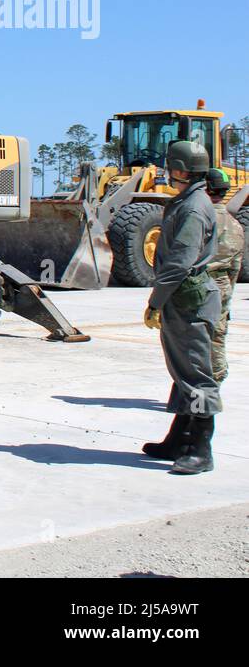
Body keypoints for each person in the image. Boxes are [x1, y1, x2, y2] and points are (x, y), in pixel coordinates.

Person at [140, 140, 221, 475]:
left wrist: (155, 301)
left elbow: (179, 262)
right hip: (182, 299)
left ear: (182, 170)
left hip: (189, 301)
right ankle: (178, 439)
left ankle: (201, 448)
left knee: (196, 376)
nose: (169, 175)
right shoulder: (188, 201)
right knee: (182, 373)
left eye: (172, 169)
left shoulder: (192, 208)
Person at [205, 167, 243, 384]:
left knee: (196, 341)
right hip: (223, 286)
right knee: (217, 337)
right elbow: (235, 267)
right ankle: (216, 380)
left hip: (201, 287)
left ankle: (204, 391)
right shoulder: (236, 225)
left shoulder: (200, 220)